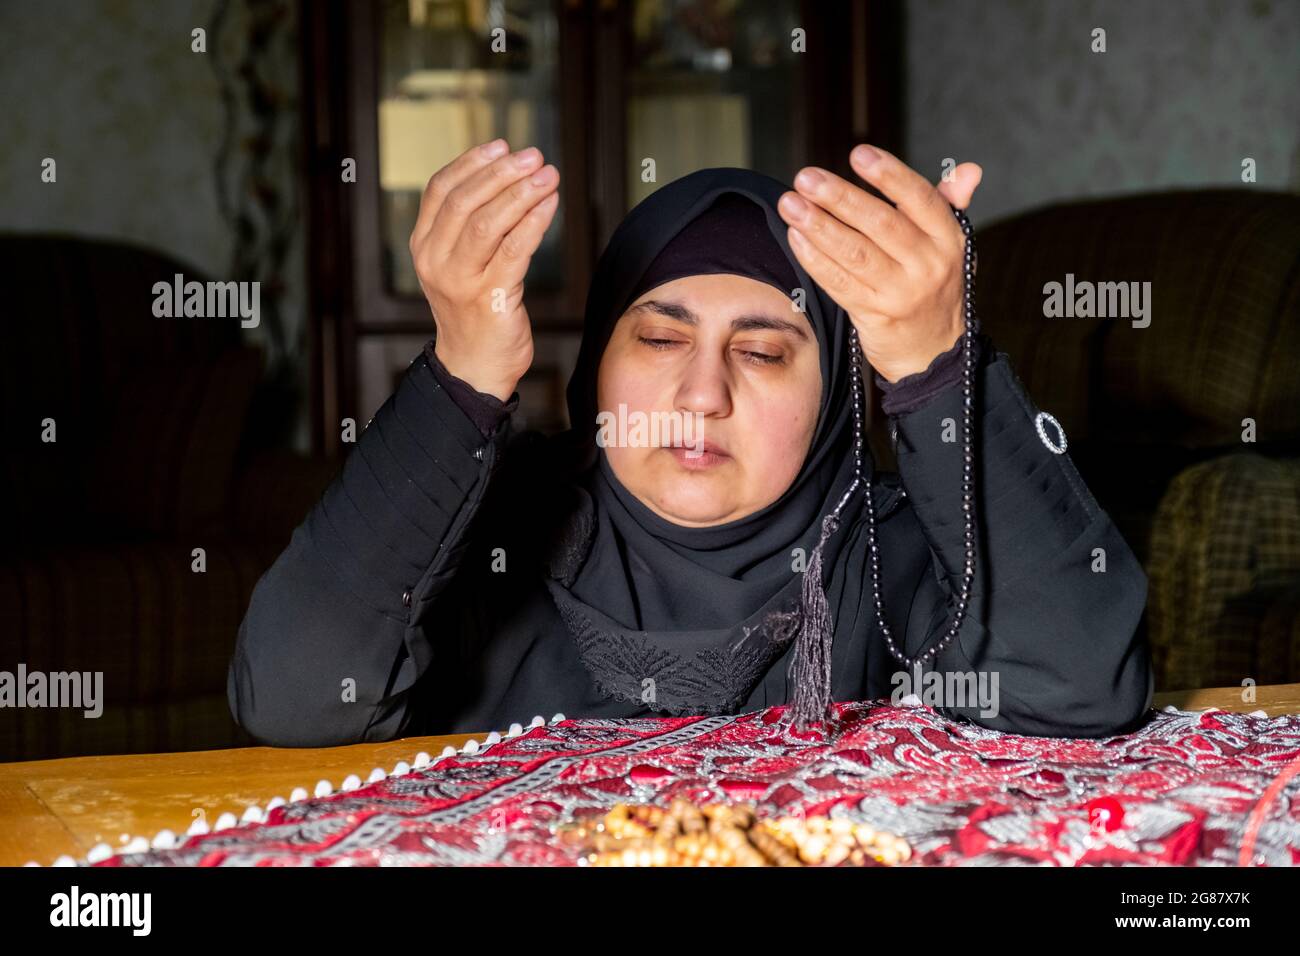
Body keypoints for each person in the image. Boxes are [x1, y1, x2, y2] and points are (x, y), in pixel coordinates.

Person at [227, 140, 1153, 747]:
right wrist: (462, 377)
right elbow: (297, 695)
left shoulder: (887, 550)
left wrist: (933, 364)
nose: (701, 395)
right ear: (595, 369)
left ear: (835, 393)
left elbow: (1076, 683)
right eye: (660, 339)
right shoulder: (493, 533)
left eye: (760, 351)